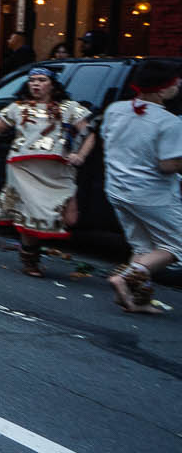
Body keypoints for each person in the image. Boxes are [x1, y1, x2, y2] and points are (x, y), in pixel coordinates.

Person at [0, 67, 96, 276]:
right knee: (30, 215)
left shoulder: (70, 108)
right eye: (32, 80)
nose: (36, 84)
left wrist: (80, 155)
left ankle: (31, 252)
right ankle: (30, 258)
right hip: (24, 169)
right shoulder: (17, 108)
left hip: (59, 171)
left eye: (42, 80)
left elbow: (90, 133)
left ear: (52, 84)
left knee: (70, 219)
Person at [100, 58, 182, 314]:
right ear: (164, 87)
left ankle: (137, 299)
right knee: (176, 246)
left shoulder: (115, 110)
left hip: (117, 188)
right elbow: (168, 165)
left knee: (143, 247)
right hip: (152, 194)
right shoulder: (169, 122)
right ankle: (124, 278)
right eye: (176, 81)